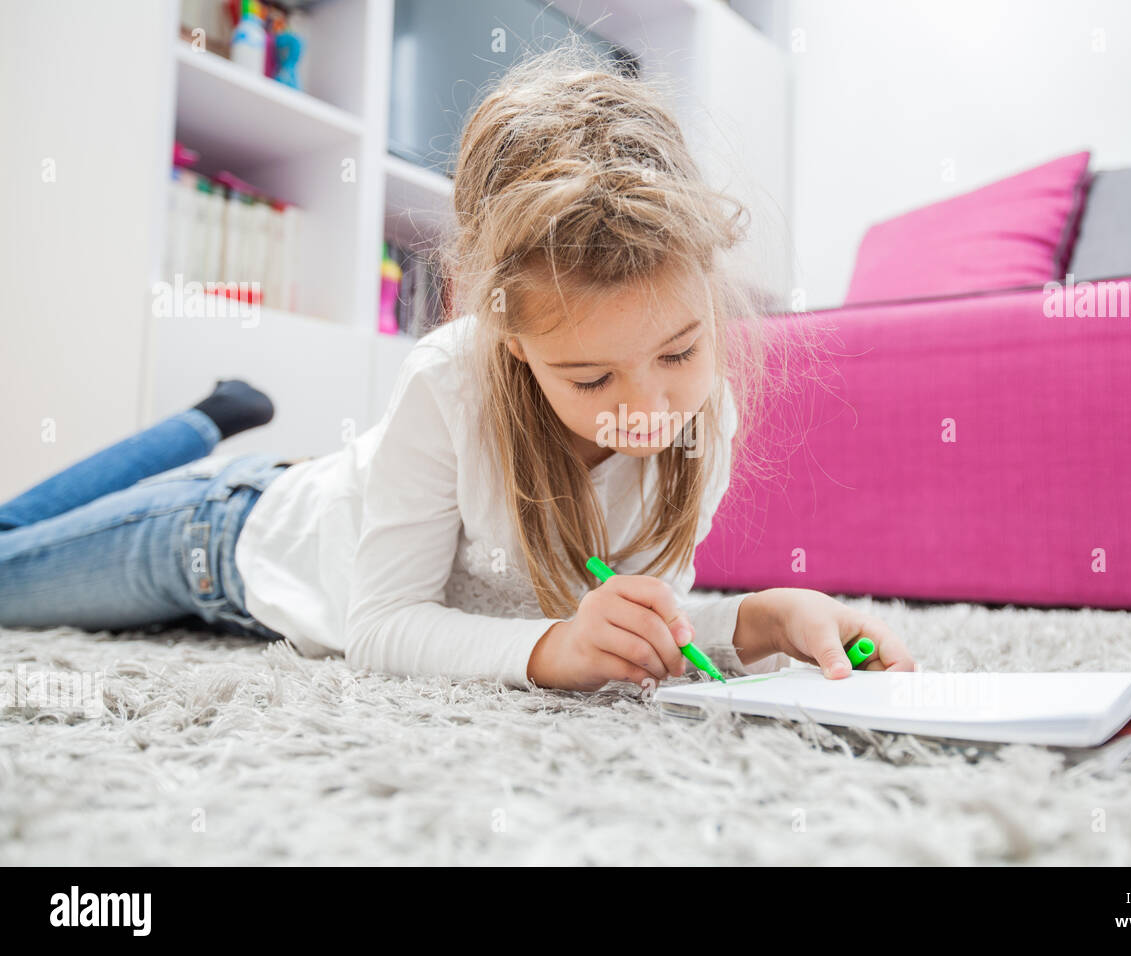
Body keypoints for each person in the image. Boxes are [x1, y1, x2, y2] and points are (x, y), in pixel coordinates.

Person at [1, 42, 913, 691]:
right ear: (505, 332)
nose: (648, 406)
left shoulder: (702, 414)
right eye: (591, 379)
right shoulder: (450, 380)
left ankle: (207, 420)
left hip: (327, 497)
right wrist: (552, 650)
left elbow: (650, 630)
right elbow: (381, 628)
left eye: (680, 350)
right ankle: (203, 431)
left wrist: (763, 619)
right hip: (220, 543)